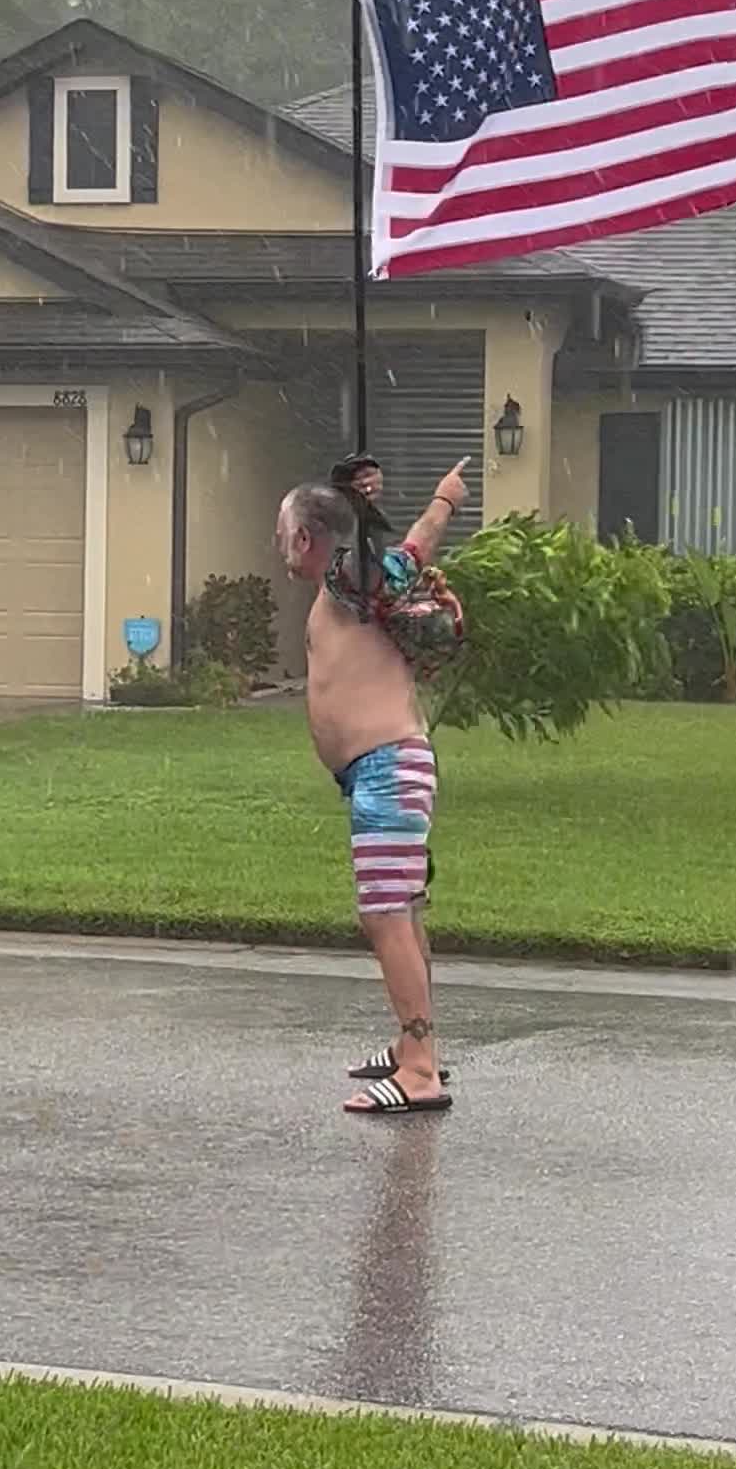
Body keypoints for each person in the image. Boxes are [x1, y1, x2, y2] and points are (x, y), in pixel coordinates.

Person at [275, 456, 470, 1116]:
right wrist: (404, 501)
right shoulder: (349, 591)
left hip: (388, 768)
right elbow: (405, 554)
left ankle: (419, 1071)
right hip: (384, 769)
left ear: (306, 537)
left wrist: (390, 508)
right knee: (400, 912)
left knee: (385, 915)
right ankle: (415, 1045)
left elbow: (387, 556)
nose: (278, 544)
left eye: (283, 533)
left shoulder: (347, 581)